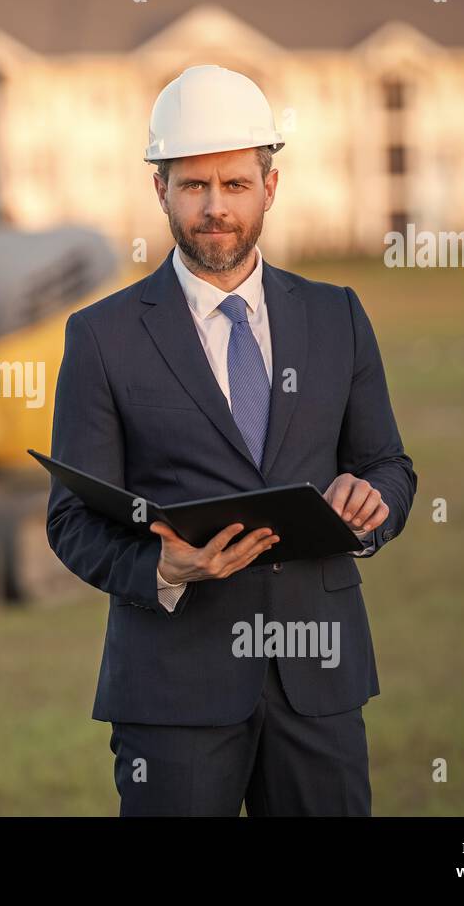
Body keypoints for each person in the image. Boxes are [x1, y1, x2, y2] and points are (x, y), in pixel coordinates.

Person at [44, 65, 417, 816]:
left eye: (235, 185)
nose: (216, 209)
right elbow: (70, 519)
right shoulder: (102, 337)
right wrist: (161, 567)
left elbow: (389, 466)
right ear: (161, 190)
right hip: (173, 691)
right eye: (194, 186)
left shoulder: (336, 316)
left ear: (269, 188)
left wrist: (373, 502)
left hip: (318, 679)